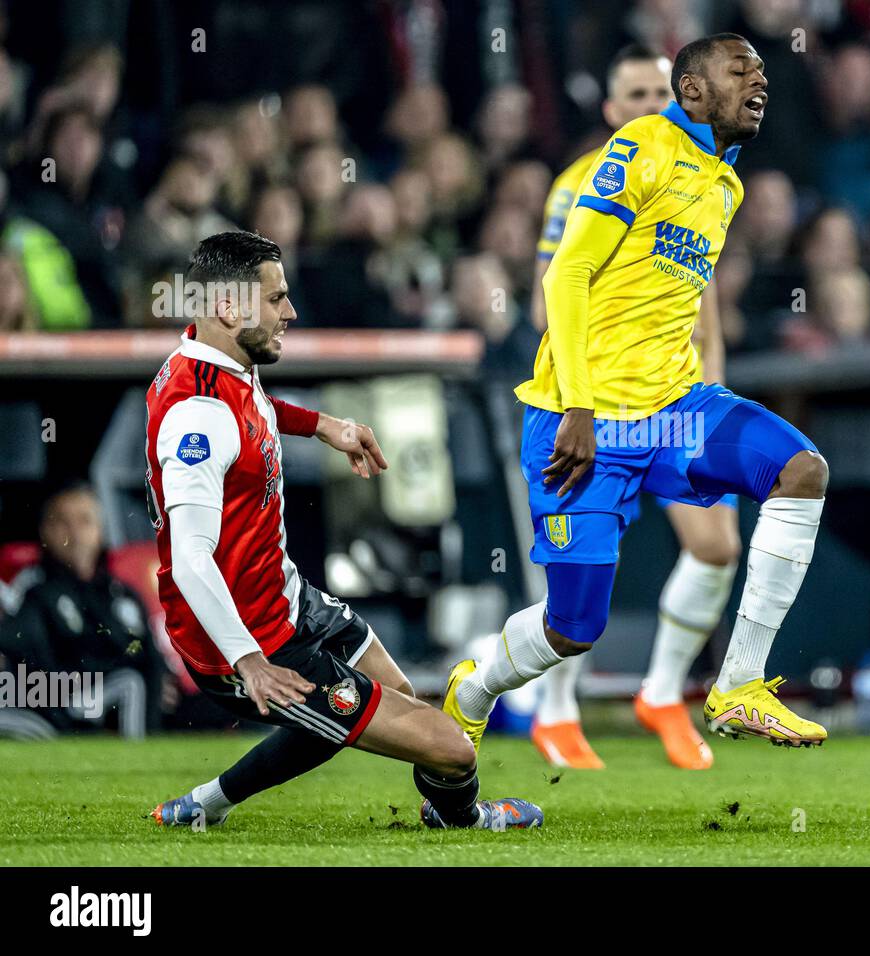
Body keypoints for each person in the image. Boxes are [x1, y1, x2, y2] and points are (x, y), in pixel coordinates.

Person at [442, 33, 830, 756]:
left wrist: (707, 386)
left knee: (800, 469)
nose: (760, 81)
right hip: (579, 419)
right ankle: (475, 684)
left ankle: (738, 682)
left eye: (764, 71)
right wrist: (581, 408)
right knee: (572, 627)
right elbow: (564, 276)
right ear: (692, 92)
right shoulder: (639, 149)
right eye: (740, 69)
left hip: (674, 408)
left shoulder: (725, 182)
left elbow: (684, 303)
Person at [148, 232, 540, 832]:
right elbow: (190, 557)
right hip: (250, 637)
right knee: (451, 749)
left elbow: (250, 409)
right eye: (276, 298)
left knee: (392, 695)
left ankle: (203, 807)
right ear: (229, 308)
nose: (291, 313)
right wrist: (249, 661)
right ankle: (466, 819)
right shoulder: (196, 418)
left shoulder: (211, 364)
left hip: (285, 596)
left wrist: (322, 424)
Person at [527, 43, 740, 771]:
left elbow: (702, 309)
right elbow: (547, 295)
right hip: (599, 399)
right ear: (613, 110)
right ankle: (556, 714)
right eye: (638, 95)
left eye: (664, 90)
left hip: (677, 400)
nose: (655, 103)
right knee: (589, 561)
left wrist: (711, 391)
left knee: (716, 548)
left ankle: (661, 691)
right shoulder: (583, 183)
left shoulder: (705, 175)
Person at [0, 484, 162, 739]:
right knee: (130, 682)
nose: (75, 533)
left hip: (109, 699)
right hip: (59, 700)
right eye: (63, 522)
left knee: (144, 684)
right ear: (45, 531)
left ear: (100, 530)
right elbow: (30, 657)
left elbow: (151, 657)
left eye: (85, 521)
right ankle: (138, 764)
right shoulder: (34, 589)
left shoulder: (120, 594)